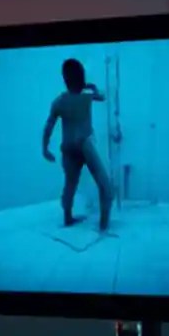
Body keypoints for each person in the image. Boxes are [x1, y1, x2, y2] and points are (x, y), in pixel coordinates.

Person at [42, 58, 114, 231]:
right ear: (81, 77)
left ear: (65, 79)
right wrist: (91, 86)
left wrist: (45, 148)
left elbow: (48, 126)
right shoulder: (86, 97)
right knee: (104, 185)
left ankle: (68, 218)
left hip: (68, 148)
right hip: (84, 145)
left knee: (70, 184)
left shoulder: (59, 101)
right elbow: (102, 96)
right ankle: (103, 225)